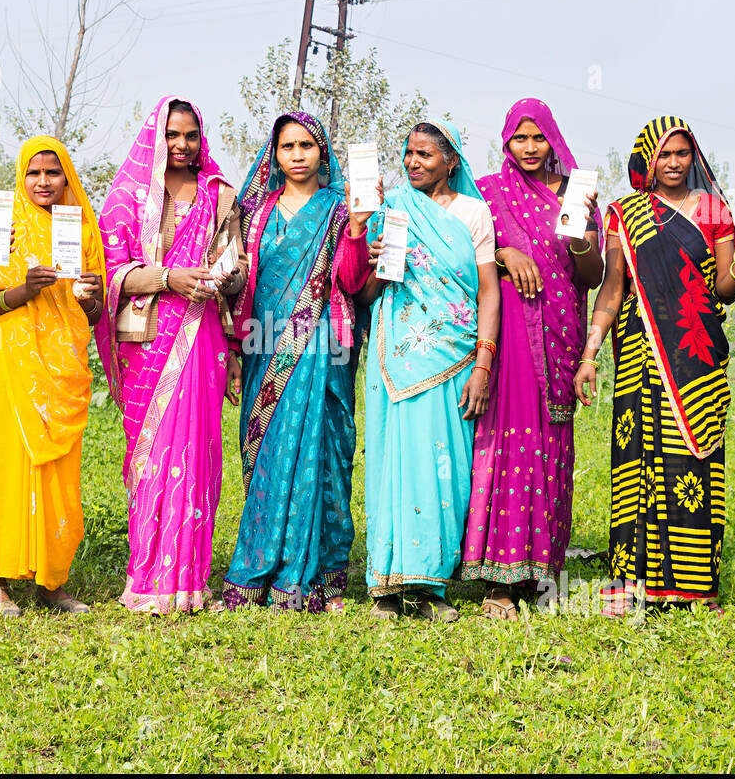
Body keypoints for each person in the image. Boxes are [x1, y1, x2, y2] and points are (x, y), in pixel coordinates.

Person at [574, 116, 735, 616]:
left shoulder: (714, 210)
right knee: (637, 459)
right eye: (664, 153)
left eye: (682, 153)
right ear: (648, 157)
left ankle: (693, 586)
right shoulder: (625, 213)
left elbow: (724, 290)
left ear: (694, 157)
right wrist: (589, 354)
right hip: (641, 356)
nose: (673, 162)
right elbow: (614, 286)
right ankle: (629, 581)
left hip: (696, 357)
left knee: (694, 461)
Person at [96, 96, 247, 614]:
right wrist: (167, 278)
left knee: (197, 453)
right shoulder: (127, 197)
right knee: (151, 455)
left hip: (202, 335)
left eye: (190, 135)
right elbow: (112, 273)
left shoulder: (220, 195)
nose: (182, 145)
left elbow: (239, 266)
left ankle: (187, 579)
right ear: (156, 138)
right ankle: (148, 574)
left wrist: (228, 277)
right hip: (148, 337)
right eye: (172, 135)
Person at [217, 112, 368, 613]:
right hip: (262, 347)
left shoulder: (340, 208)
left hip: (323, 348)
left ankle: (313, 575)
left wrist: (359, 230)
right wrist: (236, 351)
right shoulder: (254, 212)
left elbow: (349, 279)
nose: (298, 155)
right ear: (274, 154)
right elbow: (241, 288)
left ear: (323, 152)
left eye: (307, 145)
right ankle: (259, 566)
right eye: (288, 146)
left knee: (319, 454)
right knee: (269, 458)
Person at [461, 99, 603, 620]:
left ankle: (542, 570)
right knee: (506, 441)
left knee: (551, 446)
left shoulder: (579, 195)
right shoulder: (488, 193)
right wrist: (505, 255)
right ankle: (500, 579)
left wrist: (579, 239)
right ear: (506, 142)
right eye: (518, 139)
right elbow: (468, 251)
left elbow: (591, 276)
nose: (527, 148)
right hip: (510, 337)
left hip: (561, 336)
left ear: (552, 141)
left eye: (536, 138)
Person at [356, 120, 500, 622]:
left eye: (424, 154)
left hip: (455, 359)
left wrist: (483, 361)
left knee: (445, 470)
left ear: (451, 160)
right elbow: (368, 295)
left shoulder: (474, 214)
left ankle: (431, 590)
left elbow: (488, 292)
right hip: (397, 355)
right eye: (408, 153)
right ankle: (386, 590)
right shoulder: (393, 209)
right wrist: (373, 265)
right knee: (393, 463)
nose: (413, 162)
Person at [0, 136, 106, 616]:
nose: (43, 182)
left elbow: (95, 309)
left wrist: (89, 297)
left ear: (67, 177)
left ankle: (52, 581)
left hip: (62, 365)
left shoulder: (82, 227)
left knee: (58, 474)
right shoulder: (0, 223)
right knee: (2, 463)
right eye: (33, 173)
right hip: (10, 361)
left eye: (53, 172)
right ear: (20, 176)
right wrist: (23, 290)